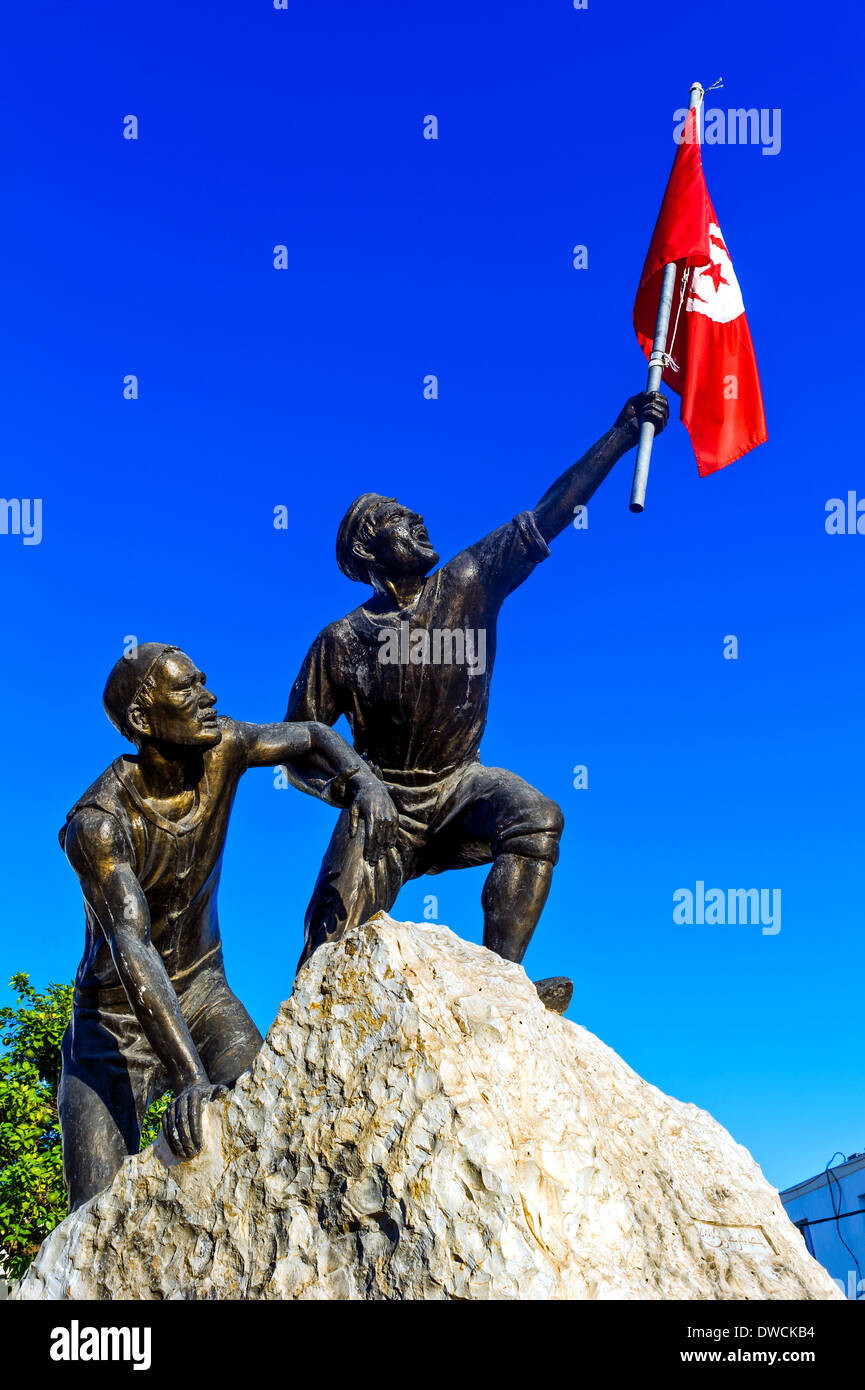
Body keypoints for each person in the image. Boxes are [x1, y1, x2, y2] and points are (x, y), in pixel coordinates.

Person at [285, 391, 669, 1012]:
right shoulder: (339, 642)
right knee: (326, 950)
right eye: (396, 520)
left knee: (536, 817)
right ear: (367, 553)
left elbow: (549, 514)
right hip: (383, 806)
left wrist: (622, 434)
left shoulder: (467, 583)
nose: (417, 522)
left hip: (459, 786)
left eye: (414, 513)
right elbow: (298, 748)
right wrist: (354, 789)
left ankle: (502, 987)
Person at [58, 642, 397, 1210]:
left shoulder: (226, 746)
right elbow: (132, 945)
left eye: (203, 681)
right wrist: (190, 1076)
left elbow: (311, 734)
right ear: (143, 719)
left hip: (204, 993)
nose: (208, 696)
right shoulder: (96, 825)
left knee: (269, 1126)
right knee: (91, 1210)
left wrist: (364, 779)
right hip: (110, 1030)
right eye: (186, 689)